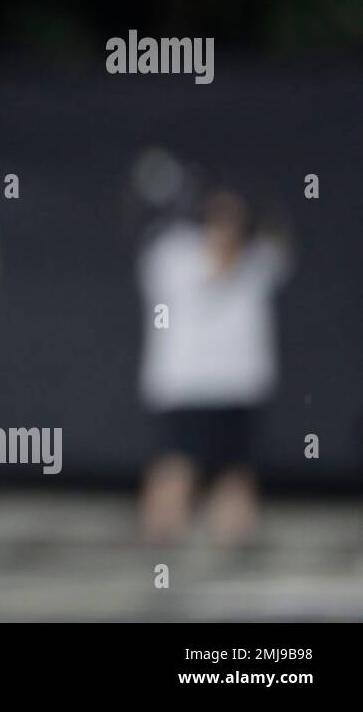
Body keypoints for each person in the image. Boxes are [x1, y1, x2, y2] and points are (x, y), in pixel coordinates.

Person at [137, 185, 293, 547]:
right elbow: (217, 267)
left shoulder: (257, 257)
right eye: (219, 217)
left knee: (235, 473)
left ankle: (236, 552)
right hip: (186, 385)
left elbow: (280, 244)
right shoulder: (173, 255)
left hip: (239, 384)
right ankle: (160, 548)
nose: (227, 226)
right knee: (176, 467)